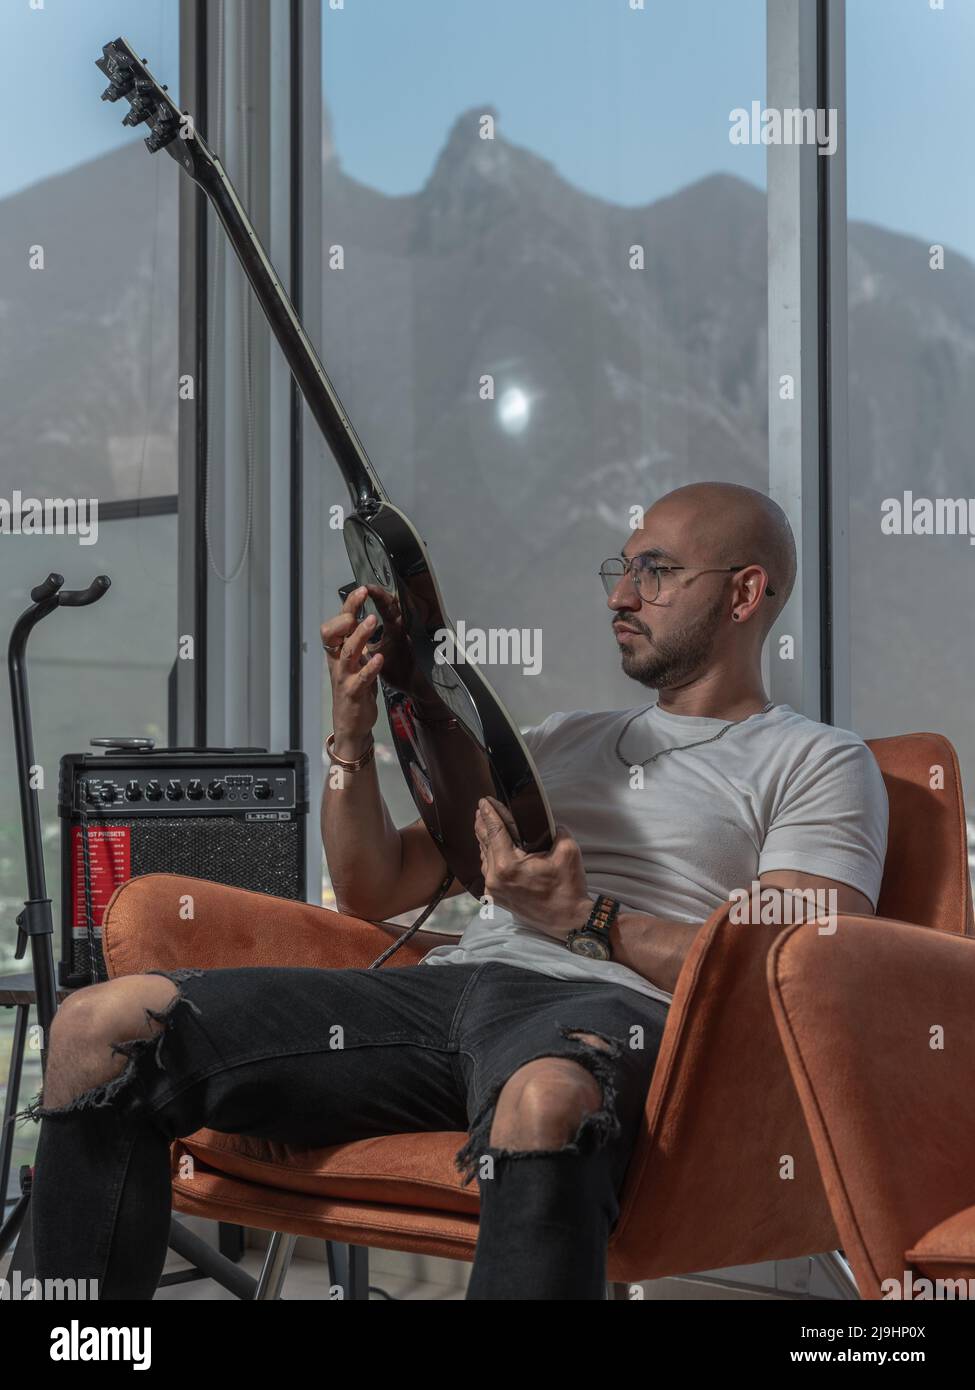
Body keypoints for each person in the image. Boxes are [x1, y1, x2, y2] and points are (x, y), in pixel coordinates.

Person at [21, 481, 888, 1300]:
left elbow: (799, 967)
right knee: (100, 1026)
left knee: (544, 1102)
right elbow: (373, 886)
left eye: (655, 570)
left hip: (609, 1008)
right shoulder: (556, 742)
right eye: (619, 568)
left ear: (744, 595)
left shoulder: (815, 759)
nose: (621, 595)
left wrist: (588, 921)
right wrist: (352, 738)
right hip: (443, 996)